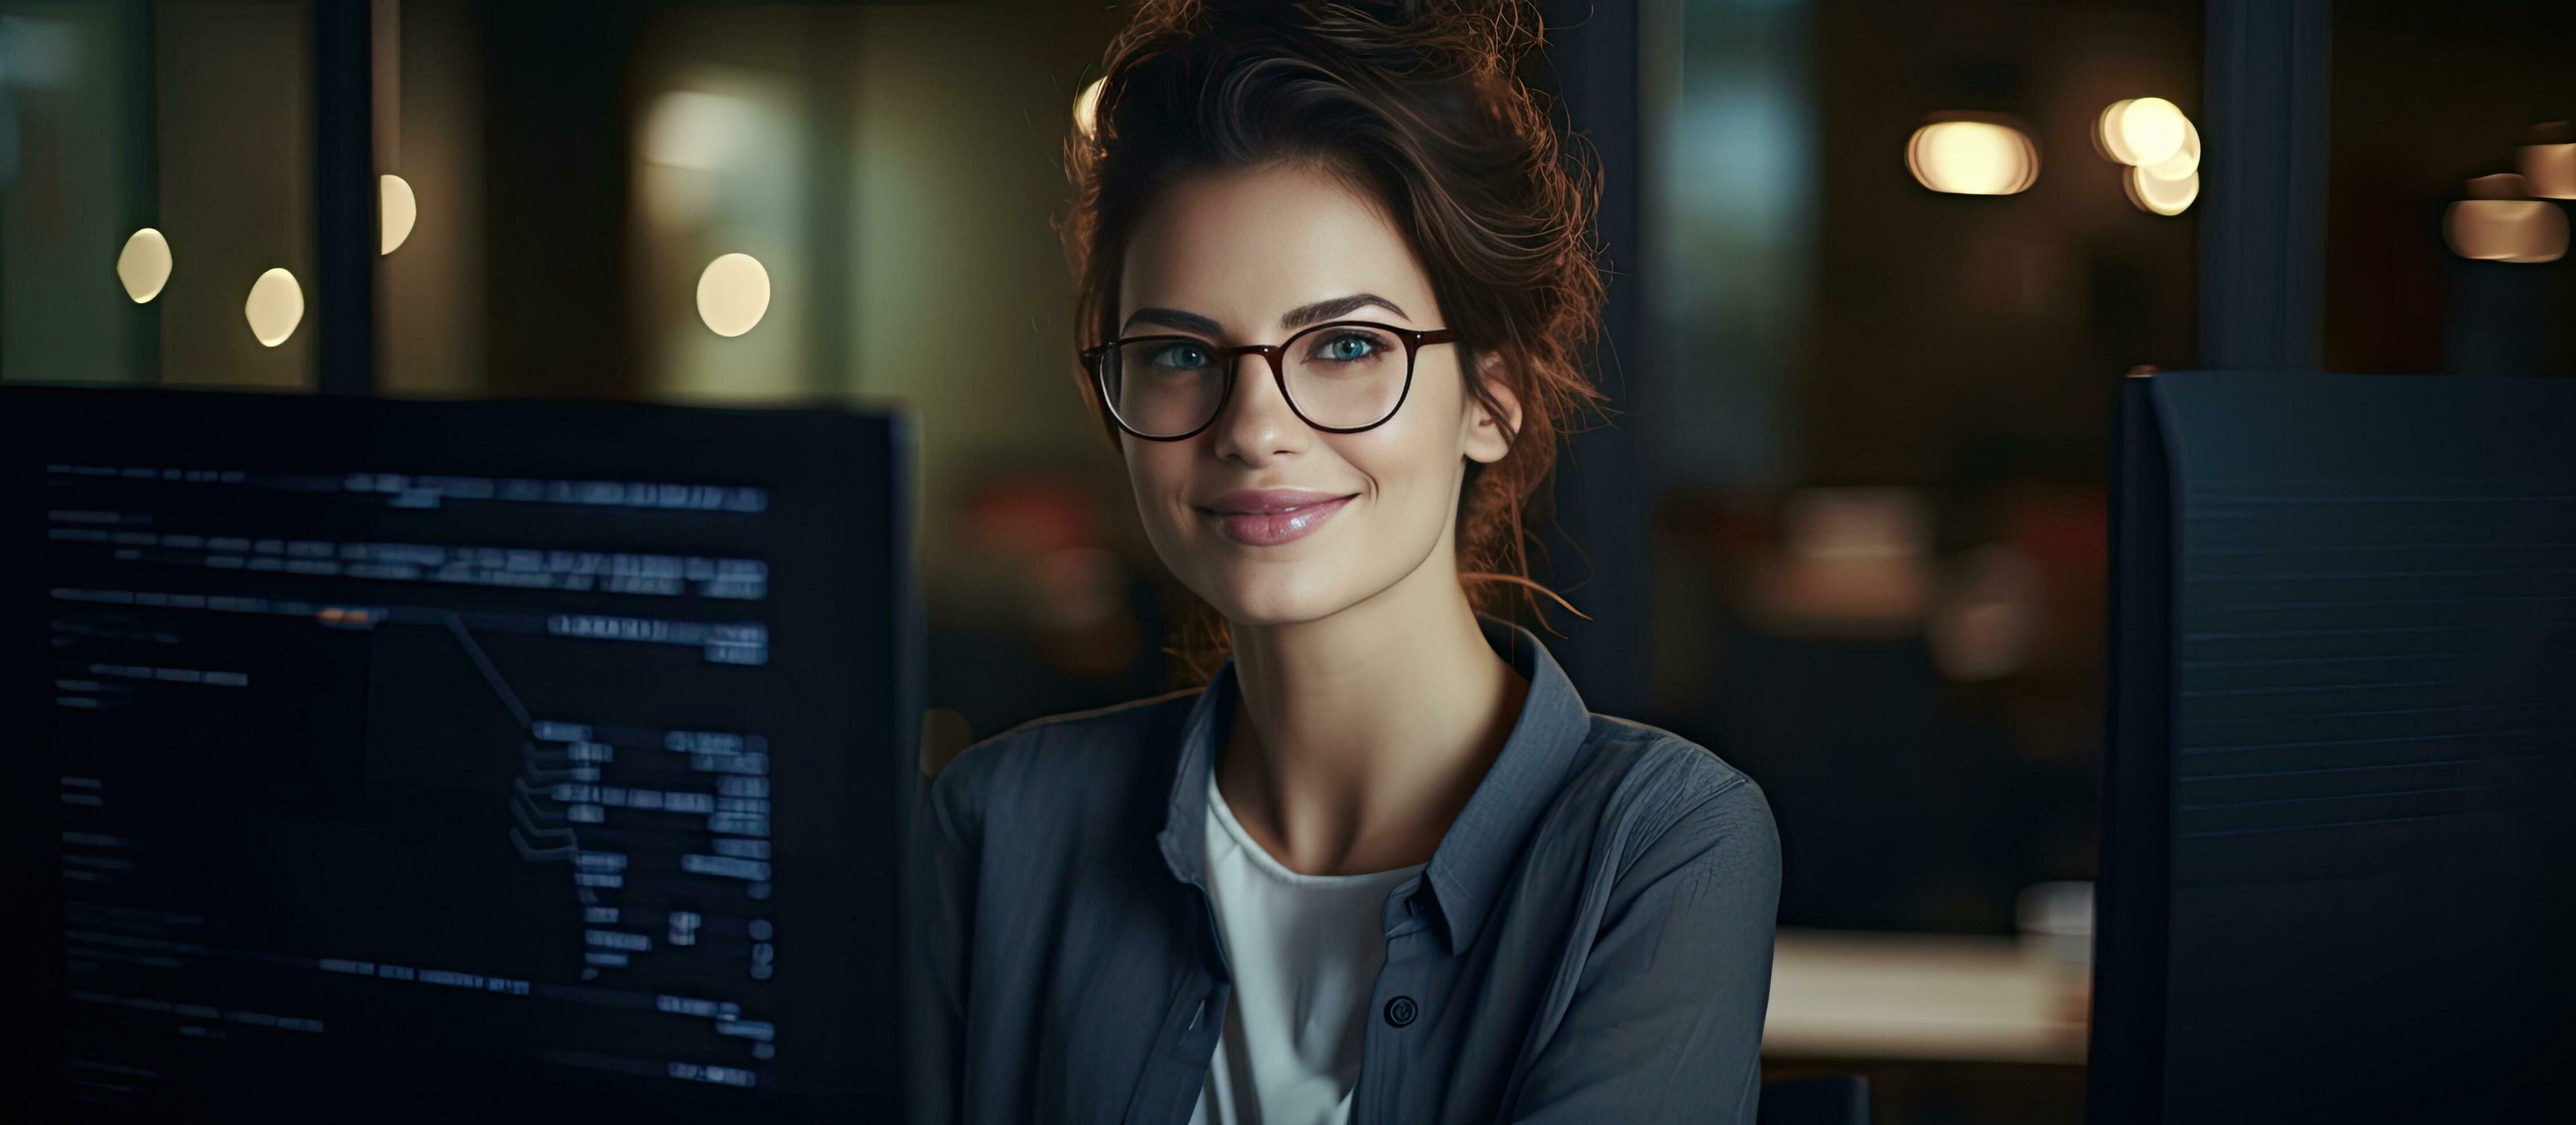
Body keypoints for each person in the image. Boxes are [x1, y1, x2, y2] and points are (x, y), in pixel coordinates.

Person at [903, 2, 1780, 1122]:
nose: (1253, 426)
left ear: (1491, 394)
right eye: (1179, 352)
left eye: (1347, 345)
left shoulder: (1656, 845)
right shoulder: (995, 826)